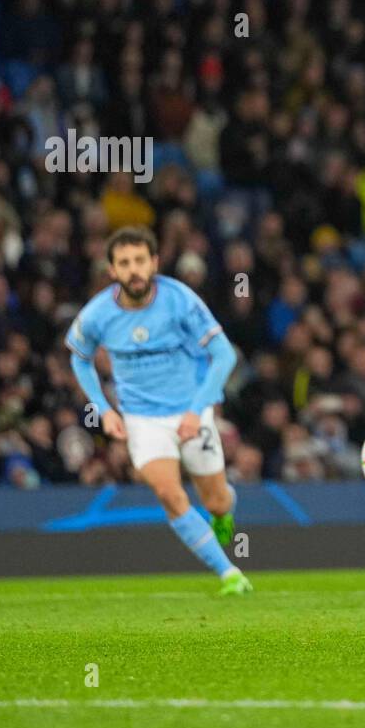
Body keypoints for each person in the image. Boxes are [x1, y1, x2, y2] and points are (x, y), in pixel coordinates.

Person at [66, 226, 249, 595]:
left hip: (190, 412)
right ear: (112, 270)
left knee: (215, 500)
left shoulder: (181, 300)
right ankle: (229, 573)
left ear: (154, 263)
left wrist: (198, 411)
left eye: (139, 261)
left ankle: (224, 510)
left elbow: (224, 354)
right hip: (142, 418)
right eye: (124, 263)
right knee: (168, 493)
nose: (133, 270)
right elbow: (80, 358)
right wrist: (104, 409)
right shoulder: (98, 314)